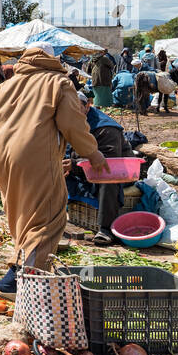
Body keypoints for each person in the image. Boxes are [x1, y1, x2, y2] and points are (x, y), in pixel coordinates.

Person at [0, 42, 107, 296]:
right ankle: (20, 281)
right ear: (53, 59)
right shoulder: (58, 83)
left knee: (22, 213)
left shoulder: (5, 85)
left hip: (1, 156)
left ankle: (21, 270)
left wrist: (0, 145)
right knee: (48, 218)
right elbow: (72, 123)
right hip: (35, 155)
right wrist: (93, 153)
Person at [65, 94, 129, 246]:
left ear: (87, 105)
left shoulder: (105, 127)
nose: (72, 111)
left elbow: (108, 163)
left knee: (108, 181)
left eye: (77, 107)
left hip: (115, 172)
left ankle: (106, 229)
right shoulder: (71, 123)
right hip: (84, 170)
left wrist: (74, 165)